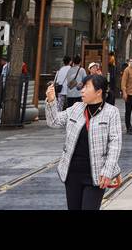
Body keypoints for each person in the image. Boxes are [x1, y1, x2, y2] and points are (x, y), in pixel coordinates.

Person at [44, 73, 122, 211]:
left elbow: (115, 143)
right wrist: (51, 101)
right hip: (72, 173)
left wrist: (108, 170)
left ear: (99, 92)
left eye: (87, 87)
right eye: (83, 87)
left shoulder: (111, 112)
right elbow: (54, 121)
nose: (82, 90)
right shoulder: (76, 108)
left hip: (97, 175)